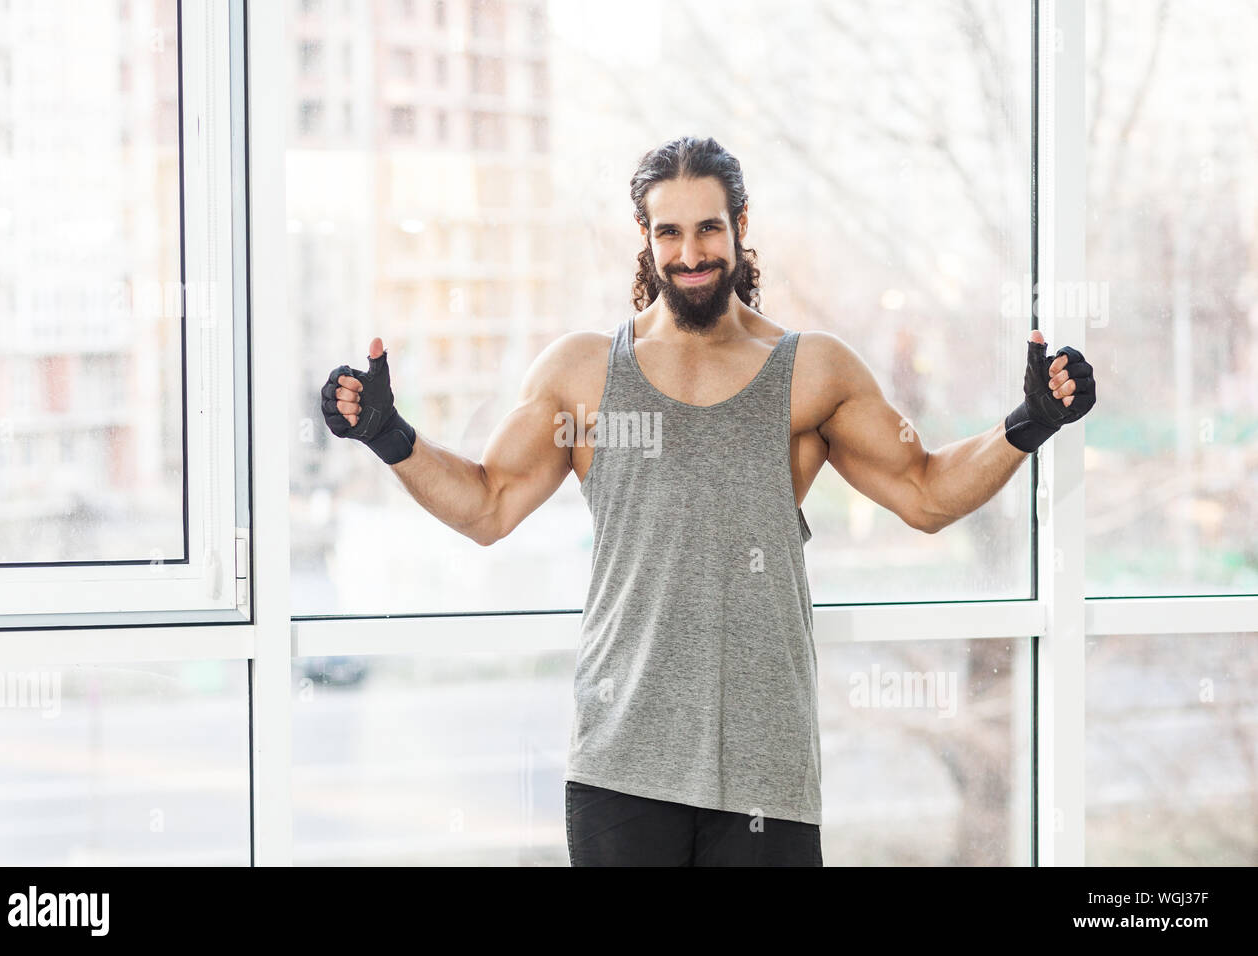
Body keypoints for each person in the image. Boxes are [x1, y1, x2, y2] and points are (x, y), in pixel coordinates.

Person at [319, 135, 1096, 867]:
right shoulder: (583, 373)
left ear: (741, 225)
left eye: (707, 229)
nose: (689, 254)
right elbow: (487, 506)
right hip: (621, 765)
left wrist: (1029, 423)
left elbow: (926, 491)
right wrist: (390, 435)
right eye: (668, 233)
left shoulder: (811, 371)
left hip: (766, 767)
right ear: (645, 237)